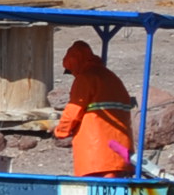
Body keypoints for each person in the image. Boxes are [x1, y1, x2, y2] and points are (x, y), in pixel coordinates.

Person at [53, 40, 137, 177]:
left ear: (74, 64)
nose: (73, 74)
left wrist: (60, 131)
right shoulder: (111, 77)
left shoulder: (85, 79)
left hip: (96, 156)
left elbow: (73, 111)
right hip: (121, 153)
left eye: (70, 70)